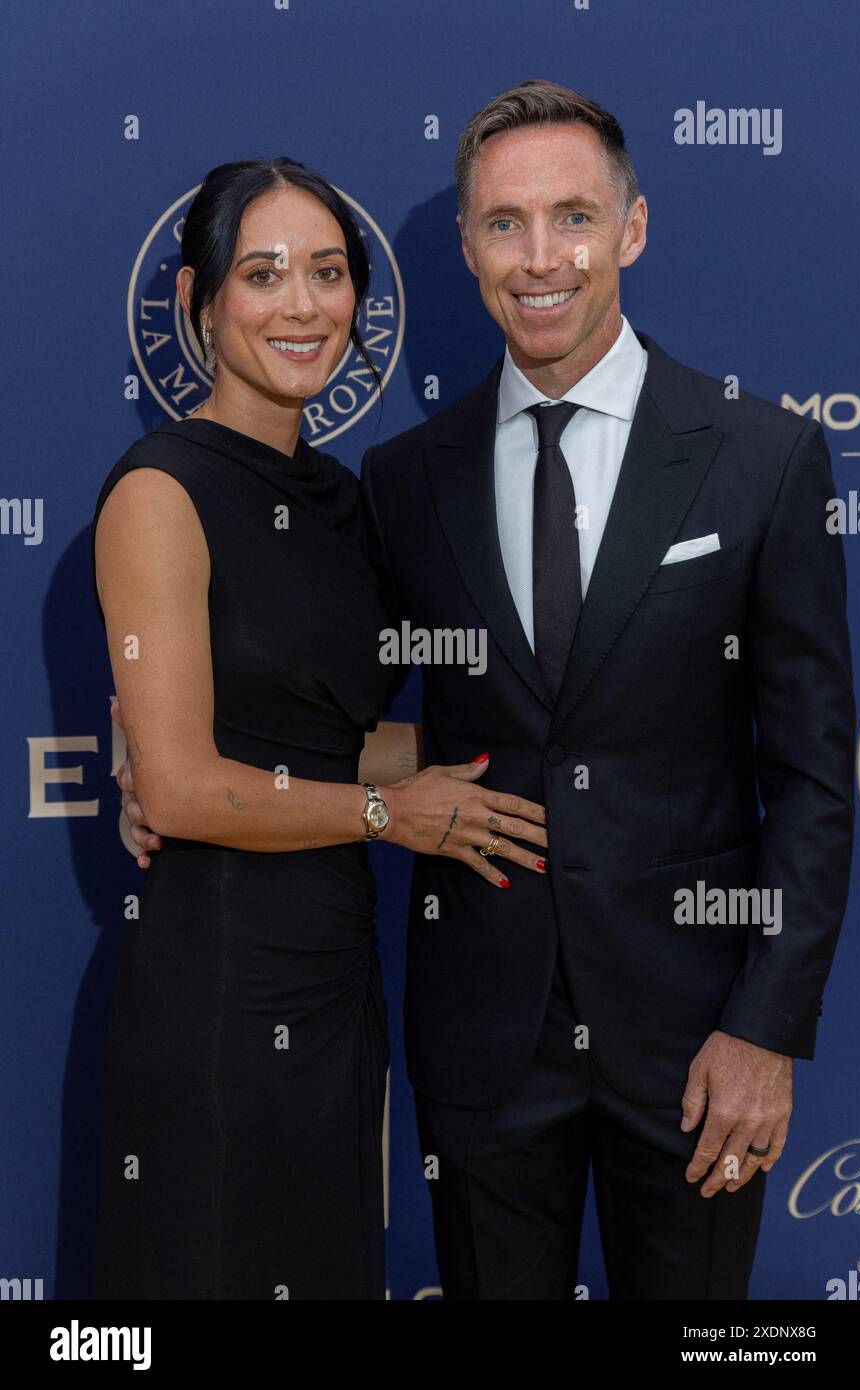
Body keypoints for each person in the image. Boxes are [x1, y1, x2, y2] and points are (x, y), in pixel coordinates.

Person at [122, 81, 855, 1301]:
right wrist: (158, 739)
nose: (539, 259)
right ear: (464, 248)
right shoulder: (406, 480)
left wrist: (767, 1028)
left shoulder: (761, 456)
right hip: (475, 1047)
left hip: (695, 1044)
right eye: (504, 225)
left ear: (629, 228)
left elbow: (816, 773)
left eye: (571, 217)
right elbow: (307, 676)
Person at [91, 156, 547, 1301]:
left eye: (328, 272)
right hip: (219, 979)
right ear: (200, 300)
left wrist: (544, 748)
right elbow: (187, 788)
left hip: (334, 980)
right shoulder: (158, 492)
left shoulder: (346, 499)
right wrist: (395, 813)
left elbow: (332, 743)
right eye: (264, 273)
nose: (303, 304)